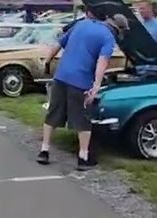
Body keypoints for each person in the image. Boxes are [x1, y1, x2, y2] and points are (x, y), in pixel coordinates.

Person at [37, 11, 128, 171]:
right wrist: (96, 86)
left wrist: (47, 62)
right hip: (81, 81)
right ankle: (83, 157)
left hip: (61, 76)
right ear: (118, 29)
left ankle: (44, 151)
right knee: (83, 119)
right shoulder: (108, 37)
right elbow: (102, 62)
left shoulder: (81, 24)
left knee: (53, 113)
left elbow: (58, 44)